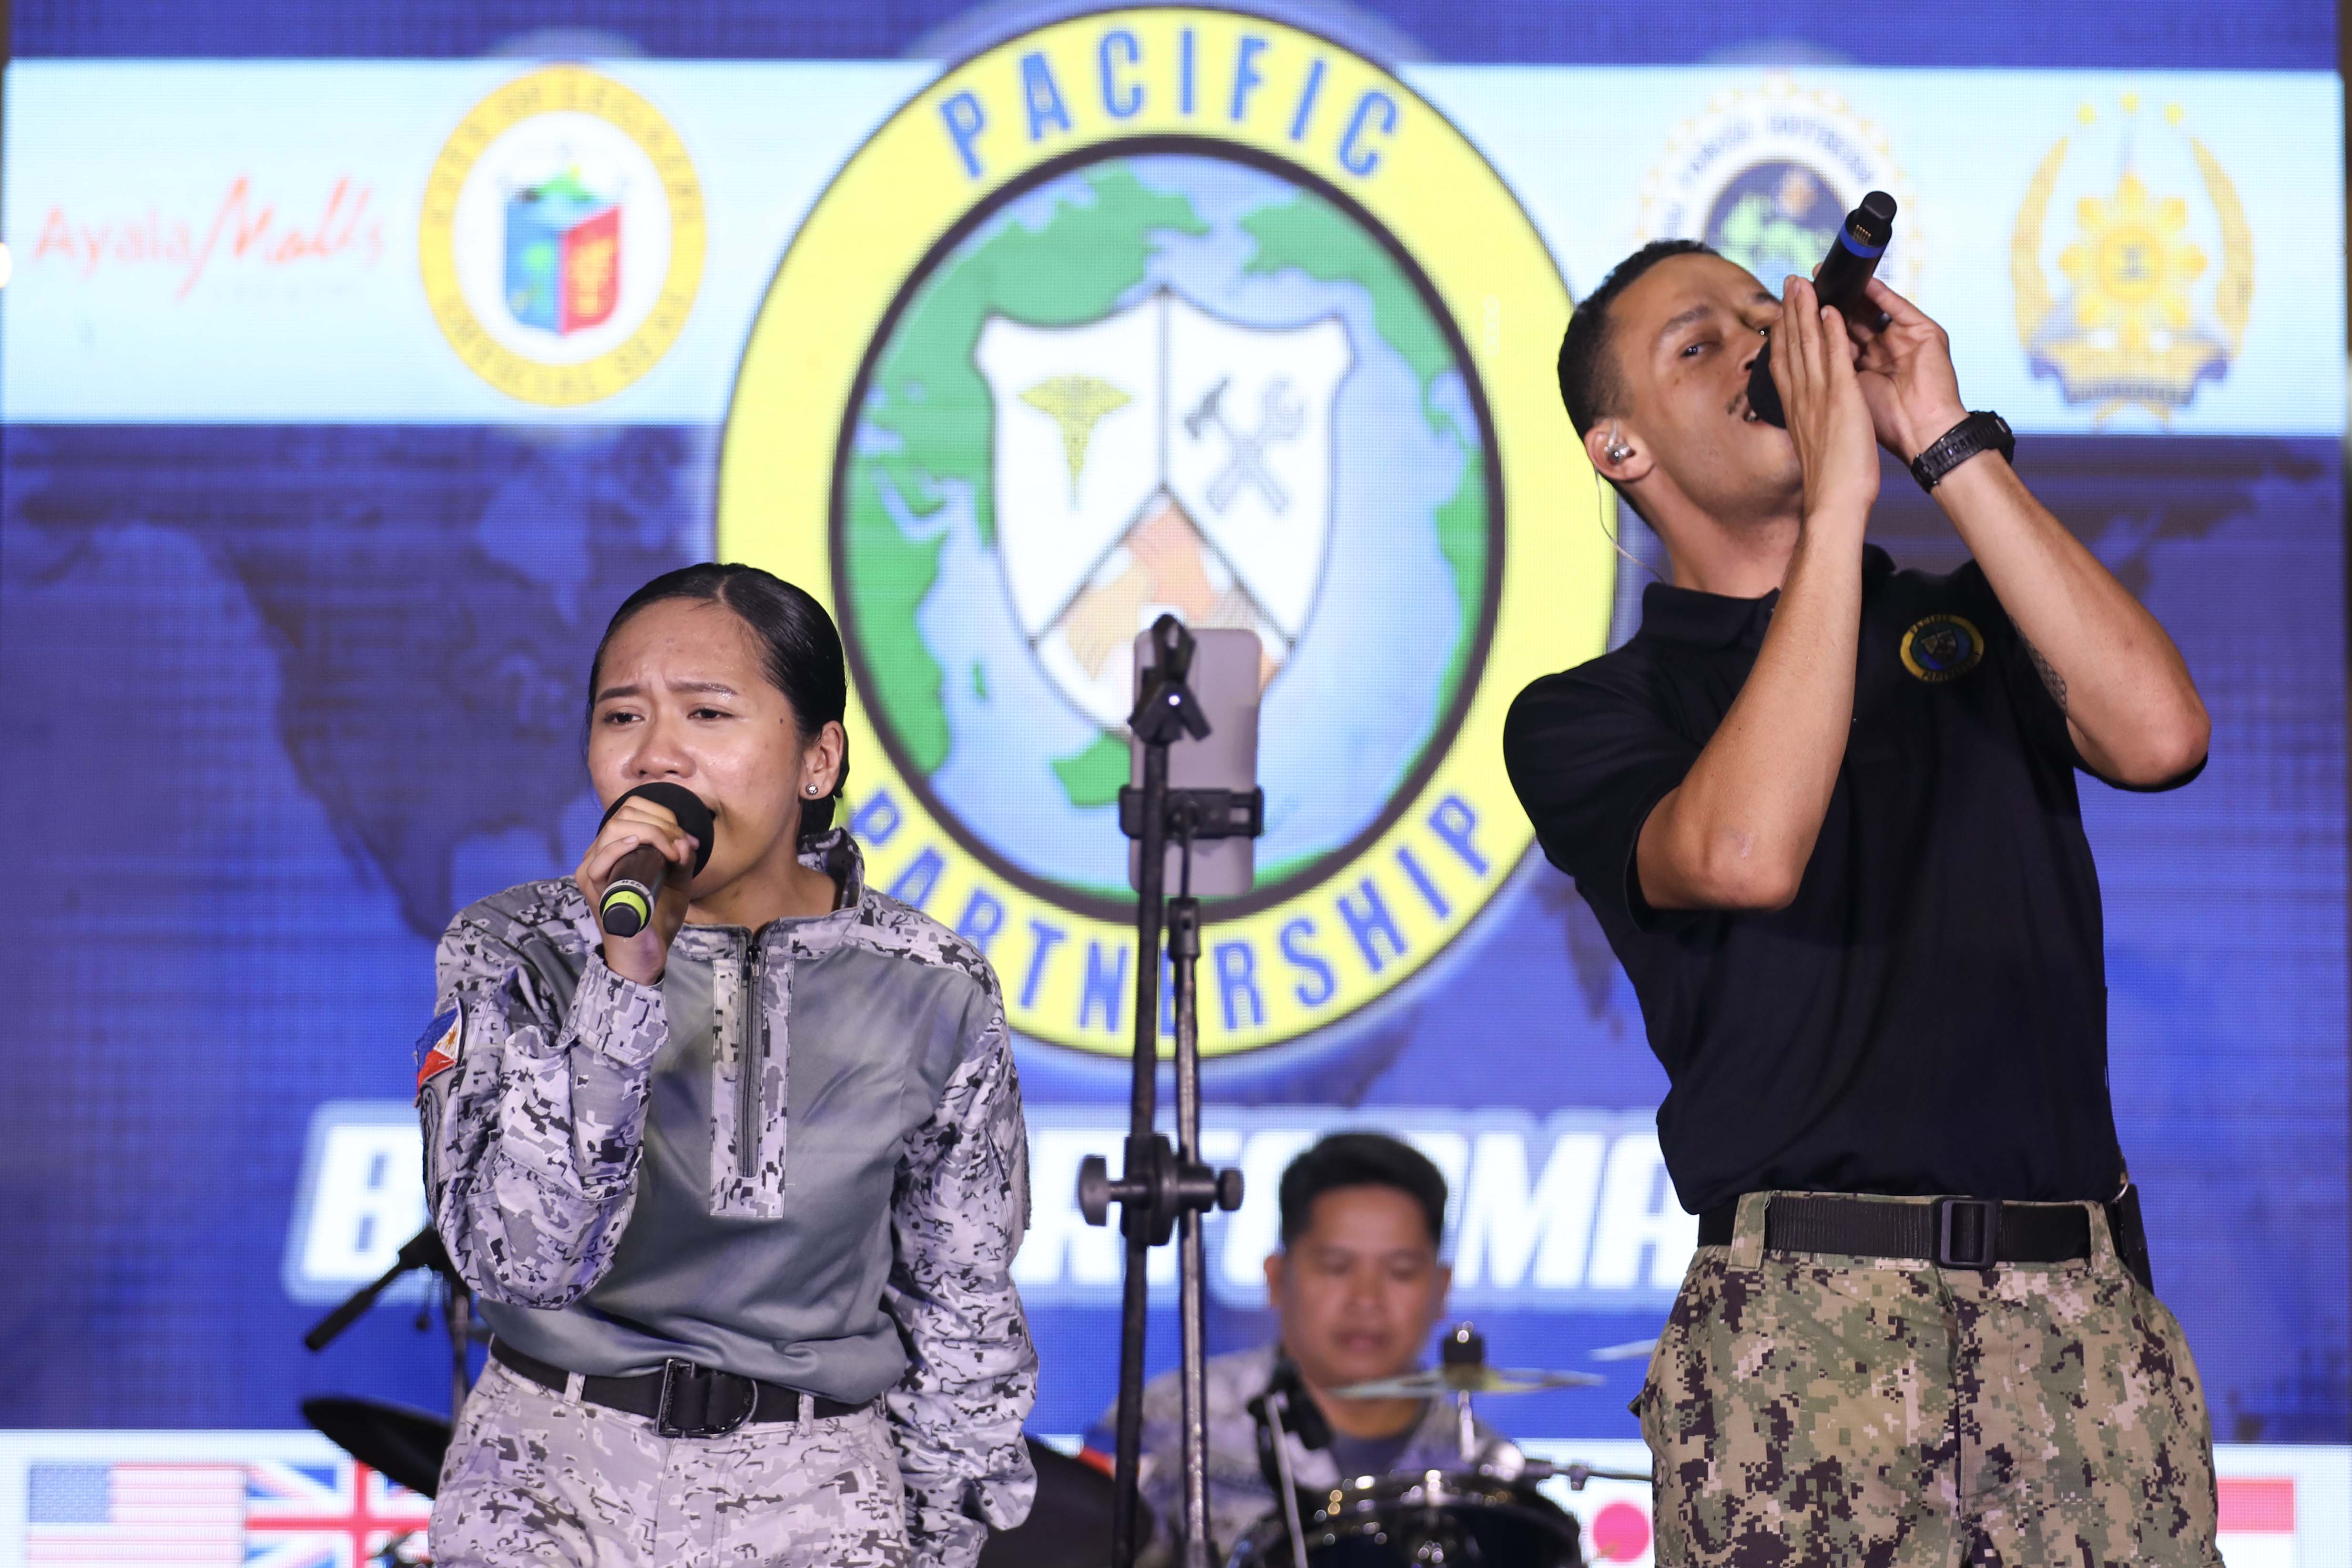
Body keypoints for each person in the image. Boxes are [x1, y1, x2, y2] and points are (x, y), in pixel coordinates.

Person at [1504, 240, 2221, 1567]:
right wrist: (1835, 507)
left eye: (1759, 317)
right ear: (1618, 450)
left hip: (2074, 1321)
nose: (1758, 348)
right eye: (1696, 344)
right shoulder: (1589, 714)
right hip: (1805, 1334)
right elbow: (1738, 852)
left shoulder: (1970, 623)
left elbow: (2160, 735)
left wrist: (1940, 439)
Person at [417, 563, 1037, 1568]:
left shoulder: (931, 980)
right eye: (622, 717)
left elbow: (960, 1307)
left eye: (708, 714)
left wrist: (935, 1538)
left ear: (816, 760)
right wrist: (621, 981)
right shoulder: (511, 946)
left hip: (817, 1490)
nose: (657, 754)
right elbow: (521, 1260)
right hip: (547, 1478)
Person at [1082, 1132, 1493, 1562]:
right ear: (1276, 1278)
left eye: (1401, 1271)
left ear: (1441, 1289)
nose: (1366, 1299)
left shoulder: (1485, 1472)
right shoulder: (1174, 1417)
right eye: (1336, 1267)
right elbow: (1065, 1538)